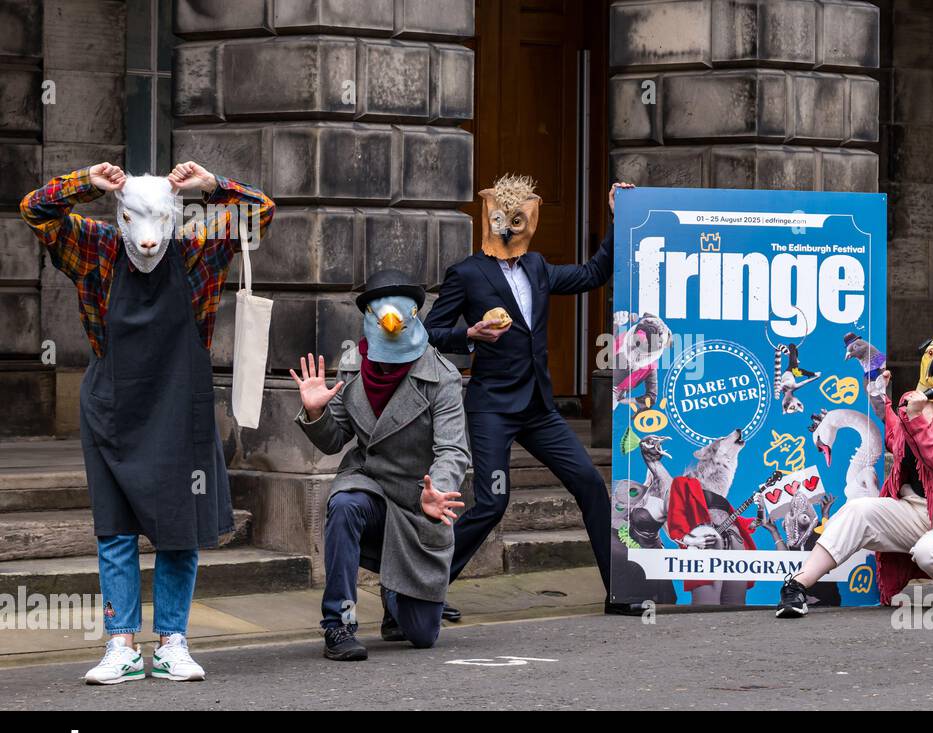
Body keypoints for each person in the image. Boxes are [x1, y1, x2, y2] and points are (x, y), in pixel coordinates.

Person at [20, 161, 274, 683]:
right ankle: (122, 645)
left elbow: (261, 213)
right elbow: (34, 209)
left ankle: (172, 642)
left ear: (176, 215)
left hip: (182, 405)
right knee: (114, 531)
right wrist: (85, 182)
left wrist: (212, 186)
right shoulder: (93, 247)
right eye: (136, 218)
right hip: (113, 407)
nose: (150, 237)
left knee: (180, 531)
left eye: (160, 218)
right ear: (120, 215)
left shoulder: (202, 247)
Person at [423, 175, 636, 618]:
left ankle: (619, 590)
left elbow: (593, 274)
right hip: (492, 409)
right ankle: (424, 589)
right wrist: (470, 334)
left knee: (591, 485)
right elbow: (427, 334)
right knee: (492, 504)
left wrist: (618, 217)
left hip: (539, 408)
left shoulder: (537, 266)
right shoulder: (466, 273)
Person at [293, 270, 470, 660]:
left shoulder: (441, 376)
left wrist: (437, 490)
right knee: (344, 504)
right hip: (369, 484)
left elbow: (453, 450)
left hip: (416, 500)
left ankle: (396, 596)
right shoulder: (353, 365)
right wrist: (314, 412)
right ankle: (338, 623)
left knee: (420, 636)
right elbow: (335, 440)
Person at [776, 335, 933, 618]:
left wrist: (917, 419)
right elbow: (895, 439)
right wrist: (879, 393)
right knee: (857, 510)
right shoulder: (911, 401)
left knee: (929, 553)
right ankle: (796, 586)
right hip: (914, 509)